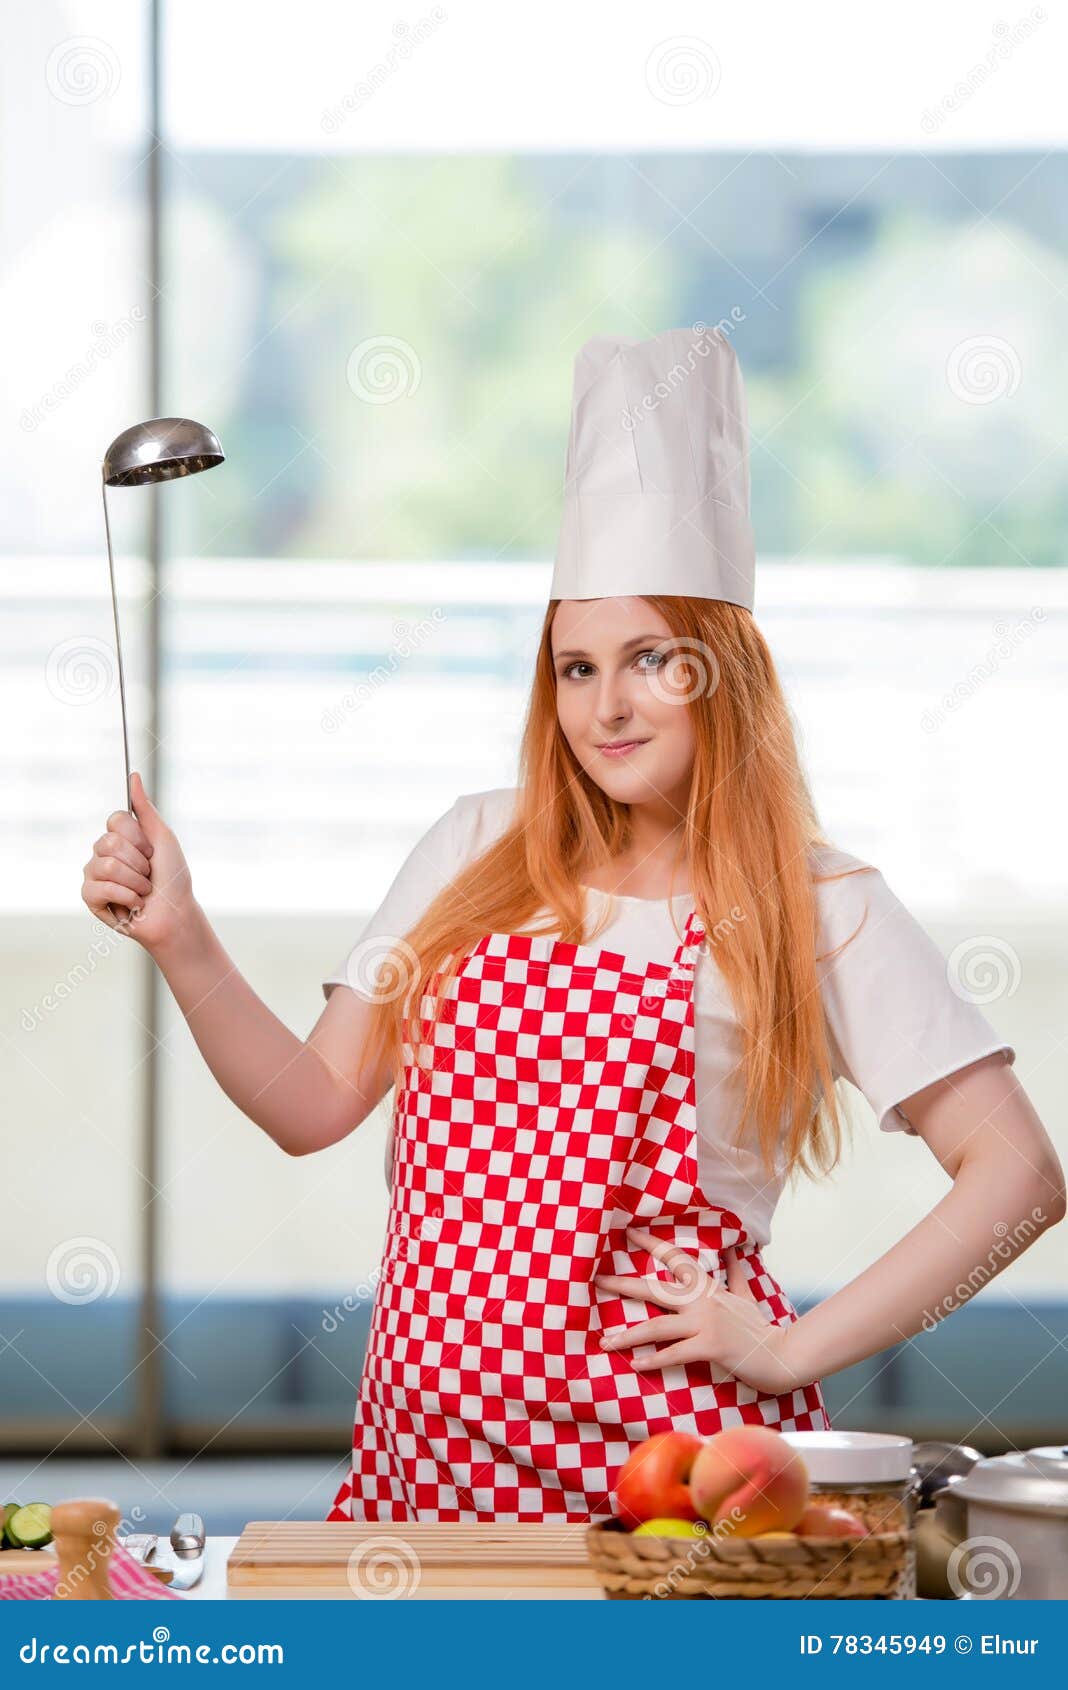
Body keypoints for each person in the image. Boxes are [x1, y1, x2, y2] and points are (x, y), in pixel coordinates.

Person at [82, 326, 1064, 1527]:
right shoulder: (473, 848)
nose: (607, 706)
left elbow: (1019, 1177)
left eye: (652, 659)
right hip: (426, 1481)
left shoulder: (821, 904)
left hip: (676, 1487)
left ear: (724, 671)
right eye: (576, 666)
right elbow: (308, 1103)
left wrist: (790, 1350)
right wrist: (183, 935)